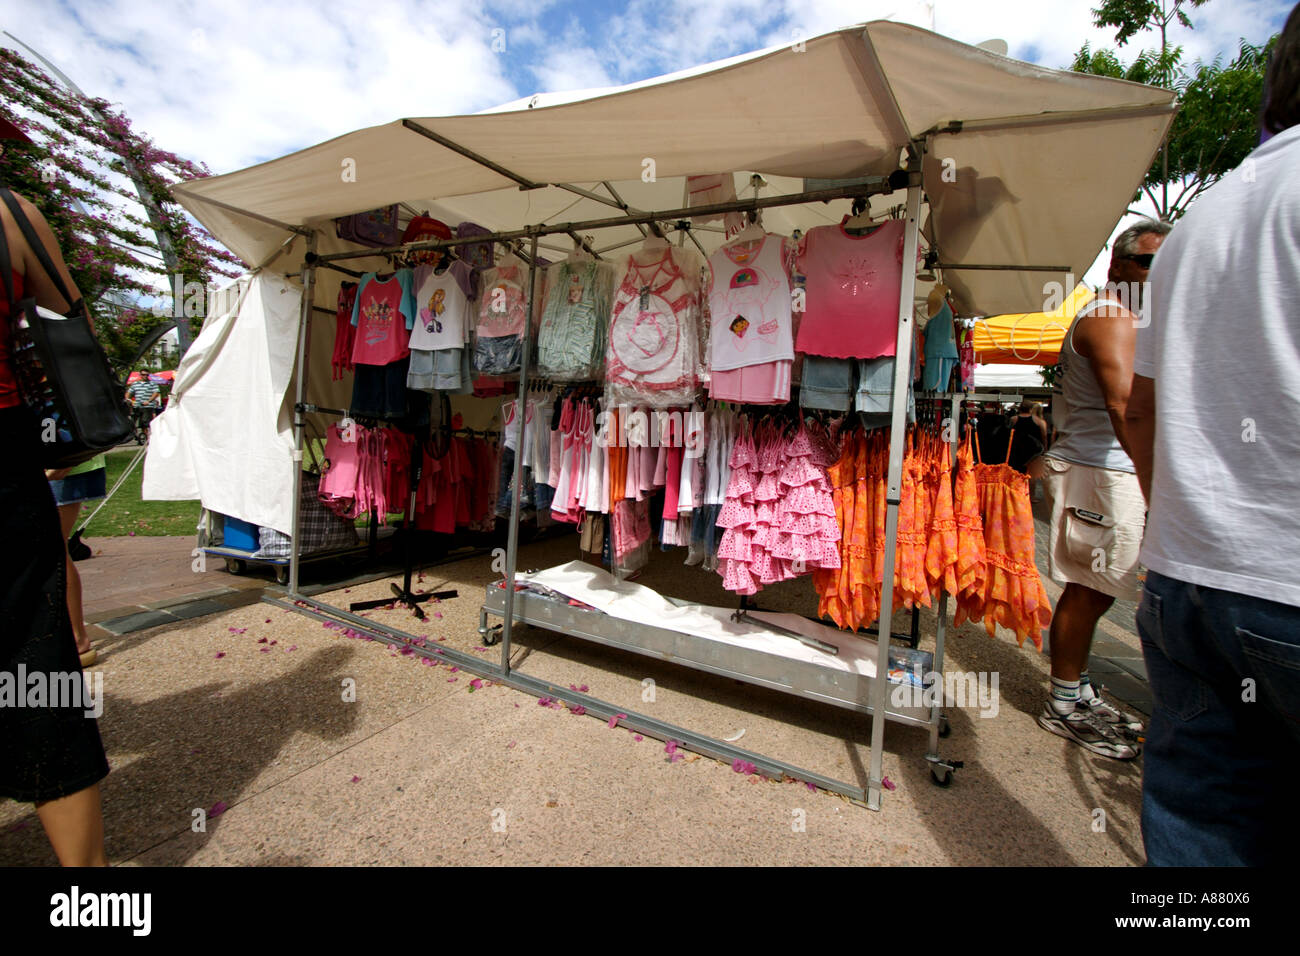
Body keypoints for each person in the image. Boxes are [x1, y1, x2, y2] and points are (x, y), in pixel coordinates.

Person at [1124, 4, 1300, 865]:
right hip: (1281, 575)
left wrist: (1176, 525)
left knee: (1201, 833)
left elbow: (1144, 407)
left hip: (1189, 576)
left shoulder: (1195, 227)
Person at [0, 117, 110, 866]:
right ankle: (88, 889)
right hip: (4, 450)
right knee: (34, 657)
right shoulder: (13, 214)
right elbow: (68, 310)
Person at [1036, 218, 1170, 760]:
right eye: (1151, 263)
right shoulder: (1111, 316)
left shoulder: (1127, 317)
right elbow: (1124, 407)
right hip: (1104, 470)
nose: (1160, 275)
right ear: (1118, 264)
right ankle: (1063, 702)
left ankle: (1076, 687)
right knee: (1090, 588)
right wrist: (1155, 483)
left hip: (1106, 469)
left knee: (1098, 587)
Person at [48, 453, 107, 667]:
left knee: (53, 549)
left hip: (60, 463)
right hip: (59, 461)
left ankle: (77, 637)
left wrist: (64, 459)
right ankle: (70, 634)